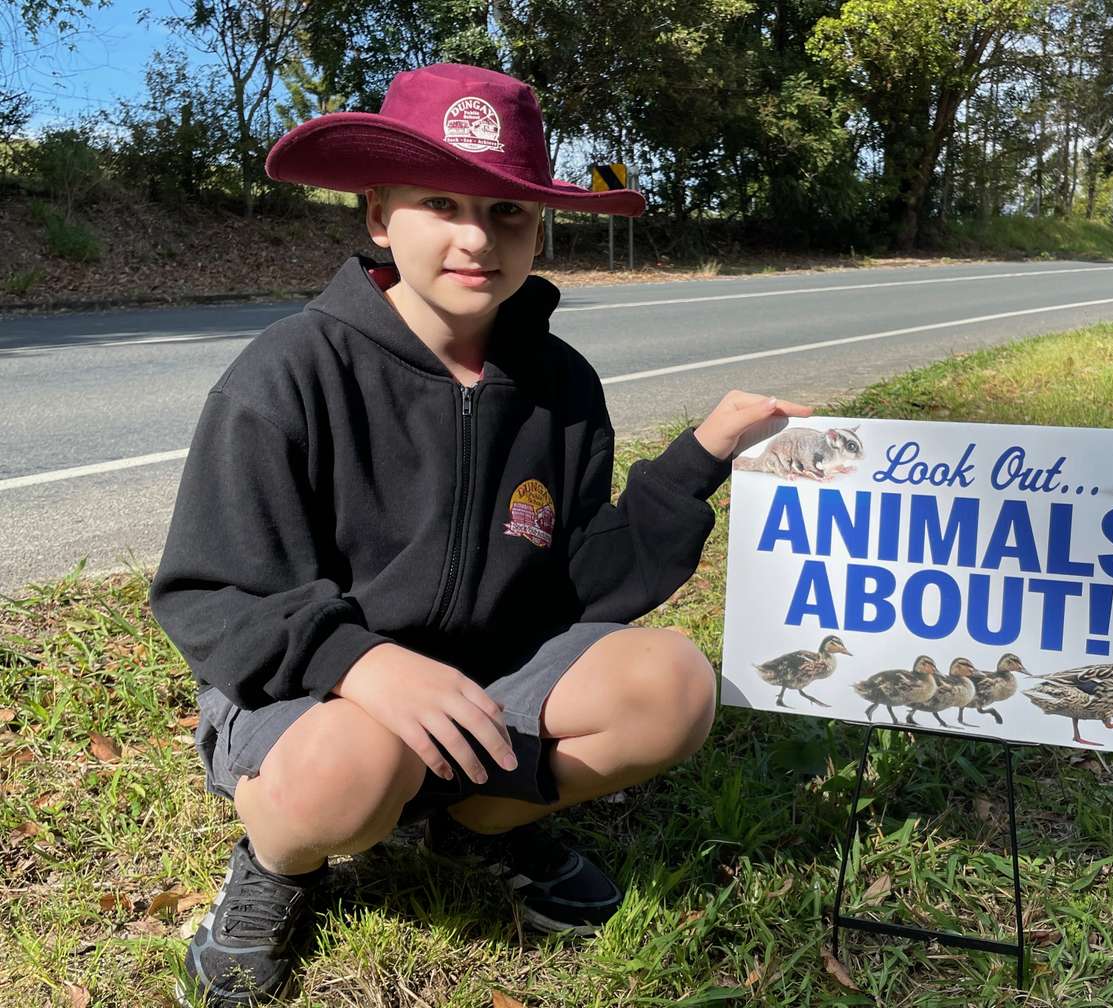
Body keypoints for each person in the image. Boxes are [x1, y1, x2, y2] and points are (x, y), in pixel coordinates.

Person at [149, 62, 811, 1006]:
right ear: (380, 216)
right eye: (441, 204)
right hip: (315, 696)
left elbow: (587, 579)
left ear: (540, 226)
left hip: (488, 685)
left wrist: (702, 455)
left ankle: (475, 820)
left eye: (508, 213)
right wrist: (361, 664)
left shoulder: (560, 384)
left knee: (673, 685)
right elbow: (209, 593)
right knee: (354, 764)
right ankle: (276, 871)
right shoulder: (289, 371)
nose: (476, 238)